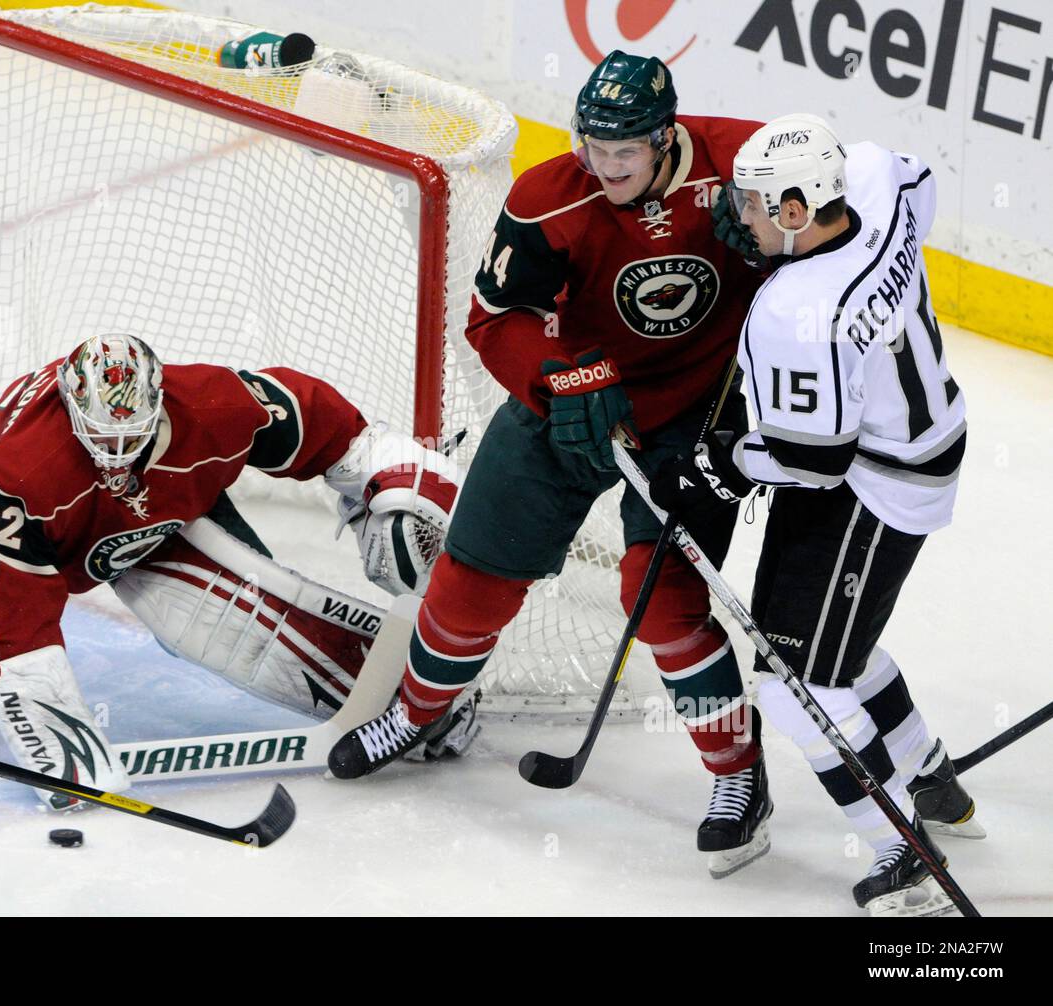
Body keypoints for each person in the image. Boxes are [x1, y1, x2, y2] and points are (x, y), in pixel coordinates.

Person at [329, 49, 777, 877]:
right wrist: (559, 377)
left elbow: (850, 204)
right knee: (473, 578)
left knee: (664, 602)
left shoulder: (742, 162)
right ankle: (420, 712)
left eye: (625, 154)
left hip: (695, 411)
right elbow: (495, 317)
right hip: (566, 401)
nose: (604, 168)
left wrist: (770, 241)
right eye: (592, 148)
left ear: (666, 137)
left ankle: (739, 780)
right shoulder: (548, 196)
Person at [649, 113, 982, 916]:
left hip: (878, 484)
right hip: (917, 438)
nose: (743, 218)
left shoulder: (799, 312)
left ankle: (904, 854)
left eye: (757, 207)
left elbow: (812, 462)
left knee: (799, 682)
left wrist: (726, 464)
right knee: (828, 642)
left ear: (799, 212)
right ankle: (928, 776)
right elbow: (920, 179)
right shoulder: (872, 178)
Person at [0, 334, 467, 807]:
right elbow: (18, 628)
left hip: (165, 508)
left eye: (130, 437)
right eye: (102, 438)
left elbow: (337, 436)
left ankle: (425, 696)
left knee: (253, 619)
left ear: (161, 404)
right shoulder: (25, 472)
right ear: (71, 409)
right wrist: (62, 749)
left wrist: (392, 478)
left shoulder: (217, 404)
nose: (117, 459)